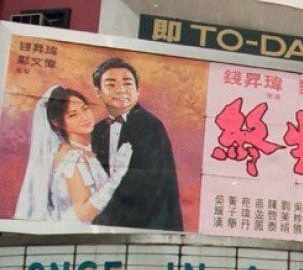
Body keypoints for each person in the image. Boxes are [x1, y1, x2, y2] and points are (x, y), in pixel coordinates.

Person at [88, 57, 183, 231]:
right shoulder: (96, 130)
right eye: (111, 84)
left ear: (137, 91)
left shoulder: (151, 126)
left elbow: (151, 187)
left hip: (145, 226)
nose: (121, 90)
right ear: (98, 92)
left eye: (127, 83)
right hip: (102, 226)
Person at [14, 85, 132, 224]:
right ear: (57, 122)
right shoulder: (73, 158)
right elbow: (83, 214)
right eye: (73, 115)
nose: (84, 117)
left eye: (85, 109)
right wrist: (117, 176)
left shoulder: (78, 149)